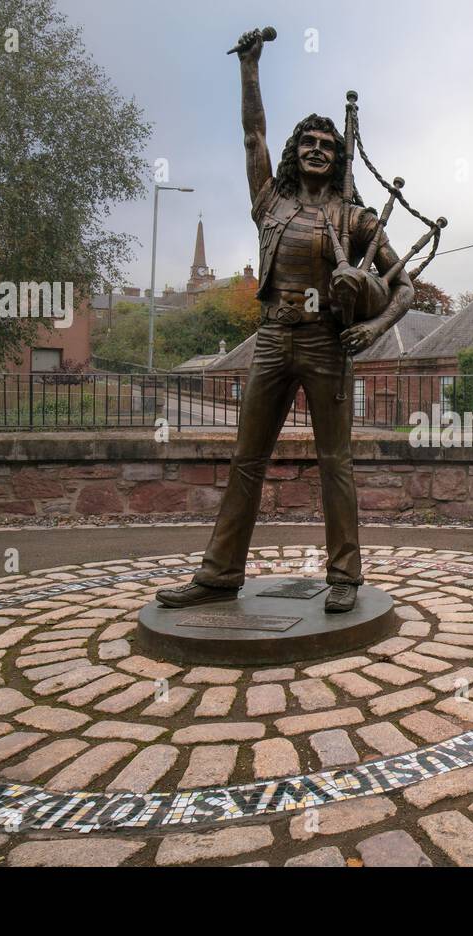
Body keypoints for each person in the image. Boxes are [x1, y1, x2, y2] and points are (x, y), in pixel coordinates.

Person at [156, 28, 413, 614]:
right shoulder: (269, 201)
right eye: (309, 141)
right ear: (297, 151)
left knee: (335, 463)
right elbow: (253, 134)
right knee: (247, 459)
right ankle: (220, 574)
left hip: (327, 344)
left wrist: (371, 328)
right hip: (271, 338)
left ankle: (345, 575)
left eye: (327, 142)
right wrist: (250, 69)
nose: (318, 148)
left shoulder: (357, 219)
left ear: (338, 155)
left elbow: (405, 287)